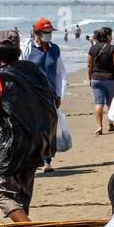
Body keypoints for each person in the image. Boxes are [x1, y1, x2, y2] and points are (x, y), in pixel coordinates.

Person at [0, 34, 59, 221]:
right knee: (23, 192)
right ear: (19, 51)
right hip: (39, 138)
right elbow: (46, 98)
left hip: (13, 142)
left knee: (4, 194)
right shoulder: (33, 70)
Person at [22, 17, 68, 172]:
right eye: (46, 32)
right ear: (37, 32)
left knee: (48, 128)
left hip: (50, 95)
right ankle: (35, 158)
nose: (49, 35)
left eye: (50, 32)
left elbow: (60, 72)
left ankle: (47, 160)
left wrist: (60, 94)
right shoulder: (27, 49)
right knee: (34, 128)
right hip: (31, 95)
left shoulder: (54, 49)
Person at [87, 26, 114, 135]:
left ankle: (99, 127)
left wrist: (90, 78)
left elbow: (89, 65)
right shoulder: (113, 48)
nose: (111, 38)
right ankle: (111, 125)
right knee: (110, 103)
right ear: (107, 36)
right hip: (110, 79)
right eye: (111, 35)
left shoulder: (92, 48)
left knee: (98, 103)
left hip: (96, 79)